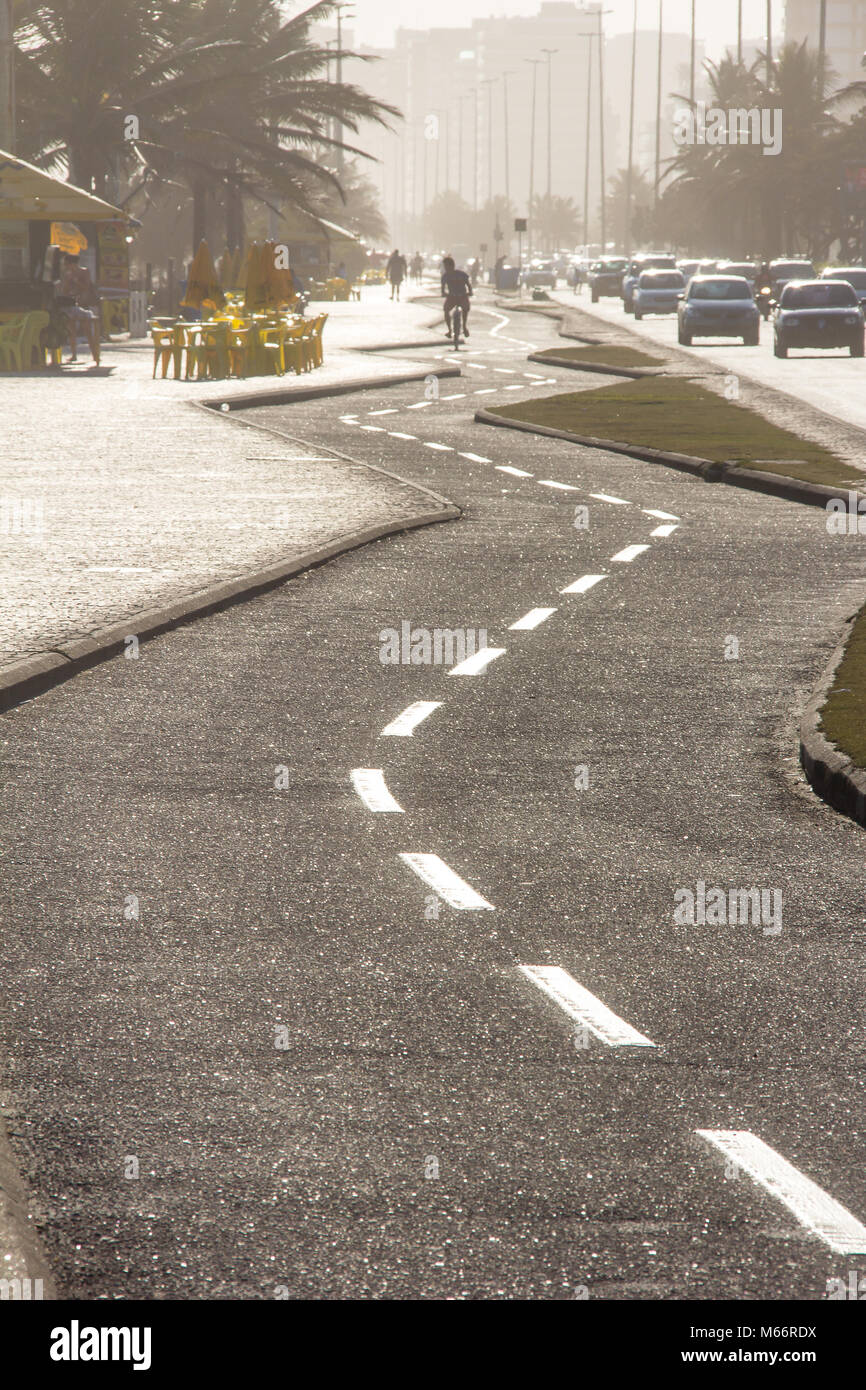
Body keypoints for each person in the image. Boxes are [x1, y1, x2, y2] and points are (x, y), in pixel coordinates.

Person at [58, 253, 100, 365]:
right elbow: (65, 291)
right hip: (73, 304)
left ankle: (95, 355)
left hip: (85, 303)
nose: (66, 267)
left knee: (88, 330)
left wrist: (76, 281)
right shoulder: (67, 274)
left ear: (72, 264)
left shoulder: (84, 272)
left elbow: (86, 287)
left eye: (67, 264)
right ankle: (74, 354)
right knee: (71, 330)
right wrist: (67, 282)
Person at [440, 255, 472, 338]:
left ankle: (464, 327)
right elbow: (443, 288)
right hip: (452, 297)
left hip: (462, 296)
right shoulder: (445, 276)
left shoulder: (461, 274)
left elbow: (468, 284)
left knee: (465, 309)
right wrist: (444, 293)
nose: (445, 268)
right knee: (446, 310)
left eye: (446, 266)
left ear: (451, 266)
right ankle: (450, 330)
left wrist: (470, 292)